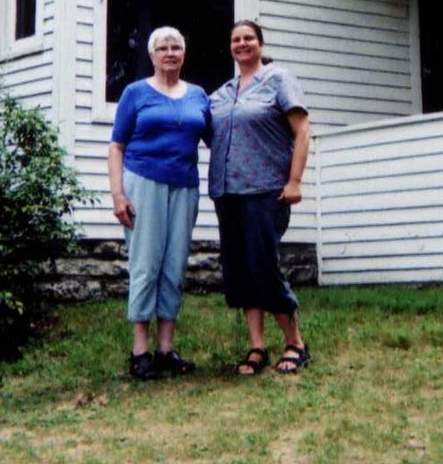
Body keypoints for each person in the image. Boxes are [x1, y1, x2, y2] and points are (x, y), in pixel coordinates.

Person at [208, 19, 313, 375]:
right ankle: (256, 346)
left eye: (248, 38)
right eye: (235, 39)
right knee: (238, 270)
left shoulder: (279, 79)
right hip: (227, 192)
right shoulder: (223, 92)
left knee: (263, 266)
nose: (241, 44)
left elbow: (302, 131)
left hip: (266, 190)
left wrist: (295, 180)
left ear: (260, 43)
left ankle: (295, 342)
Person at [107, 26, 210, 381]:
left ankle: (166, 350)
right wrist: (118, 194)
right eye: (163, 48)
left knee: (174, 266)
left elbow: (218, 137)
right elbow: (116, 146)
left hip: (184, 187)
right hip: (143, 183)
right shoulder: (135, 93)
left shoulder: (198, 96)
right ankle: (140, 353)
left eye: (176, 47)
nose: (170, 53)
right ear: (152, 56)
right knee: (146, 264)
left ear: (184, 53)